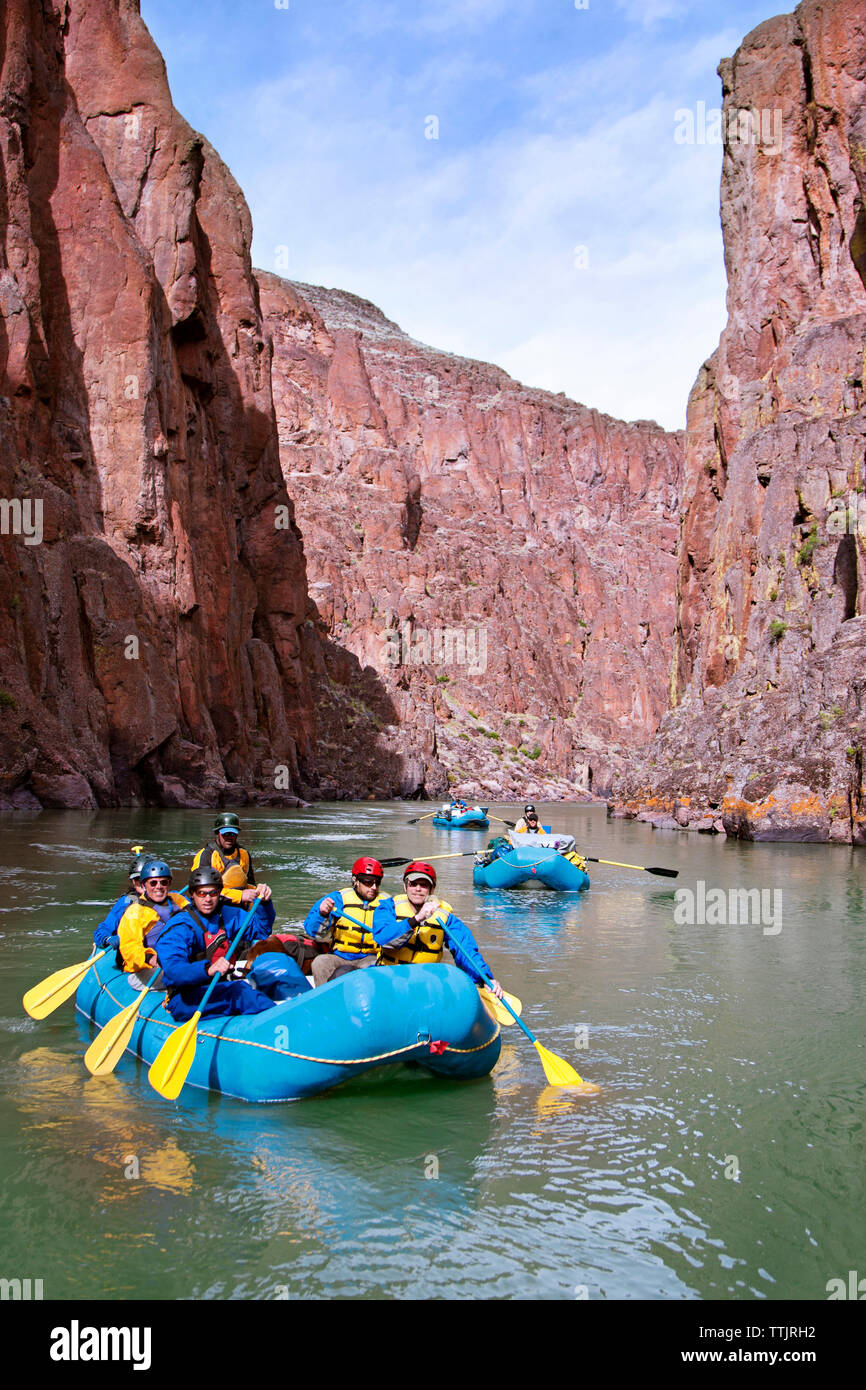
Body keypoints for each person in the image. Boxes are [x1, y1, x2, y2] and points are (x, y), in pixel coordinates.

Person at [155, 865, 277, 1021]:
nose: (208, 899)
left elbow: (261, 930)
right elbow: (174, 972)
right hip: (185, 998)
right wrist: (207, 969)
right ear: (192, 894)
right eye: (202, 893)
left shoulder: (228, 915)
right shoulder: (180, 927)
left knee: (248, 988)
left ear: (219, 893)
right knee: (240, 992)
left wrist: (264, 904)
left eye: (213, 893)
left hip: (218, 987)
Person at [372, 861, 503, 996]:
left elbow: (465, 950)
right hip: (390, 977)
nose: (418, 889)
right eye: (413, 884)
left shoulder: (445, 917)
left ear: (432, 889)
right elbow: (384, 939)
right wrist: (417, 919)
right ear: (405, 887)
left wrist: (485, 978)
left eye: (424, 885)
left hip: (425, 982)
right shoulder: (388, 907)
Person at [302, 857, 391, 986]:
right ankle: (325, 1000)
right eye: (368, 882)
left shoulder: (386, 903)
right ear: (355, 881)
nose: (374, 887)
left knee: (373, 967)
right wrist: (323, 914)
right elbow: (313, 932)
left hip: (371, 957)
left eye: (377, 882)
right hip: (340, 957)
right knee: (320, 962)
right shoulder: (337, 899)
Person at [115, 859, 189, 980]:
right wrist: (150, 958)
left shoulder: (178, 900)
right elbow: (130, 947)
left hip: (178, 959)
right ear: (144, 885)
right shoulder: (135, 912)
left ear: (169, 884)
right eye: (153, 883)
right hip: (147, 969)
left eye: (163, 882)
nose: (158, 887)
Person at [190, 813, 272, 906]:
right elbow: (200, 892)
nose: (229, 837)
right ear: (217, 833)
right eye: (226, 834)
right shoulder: (206, 855)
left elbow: (250, 883)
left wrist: (259, 892)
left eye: (233, 834)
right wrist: (239, 896)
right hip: (214, 907)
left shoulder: (244, 854)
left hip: (240, 905)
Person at [93, 847, 148, 952]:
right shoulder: (128, 901)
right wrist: (107, 938)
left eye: (146, 879)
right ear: (132, 881)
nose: (142, 883)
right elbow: (104, 928)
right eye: (138, 879)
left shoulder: (170, 899)